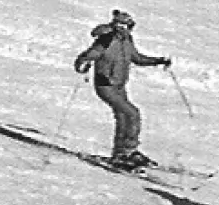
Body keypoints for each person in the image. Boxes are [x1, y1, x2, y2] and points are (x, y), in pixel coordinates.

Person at [72, 9, 172, 168]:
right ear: (120, 26)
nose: (130, 29)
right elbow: (87, 56)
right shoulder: (106, 41)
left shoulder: (126, 41)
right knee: (133, 113)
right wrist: (82, 65)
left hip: (119, 86)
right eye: (128, 26)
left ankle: (120, 153)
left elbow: (137, 58)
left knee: (123, 116)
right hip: (106, 85)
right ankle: (128, 150)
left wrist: (157, 61)